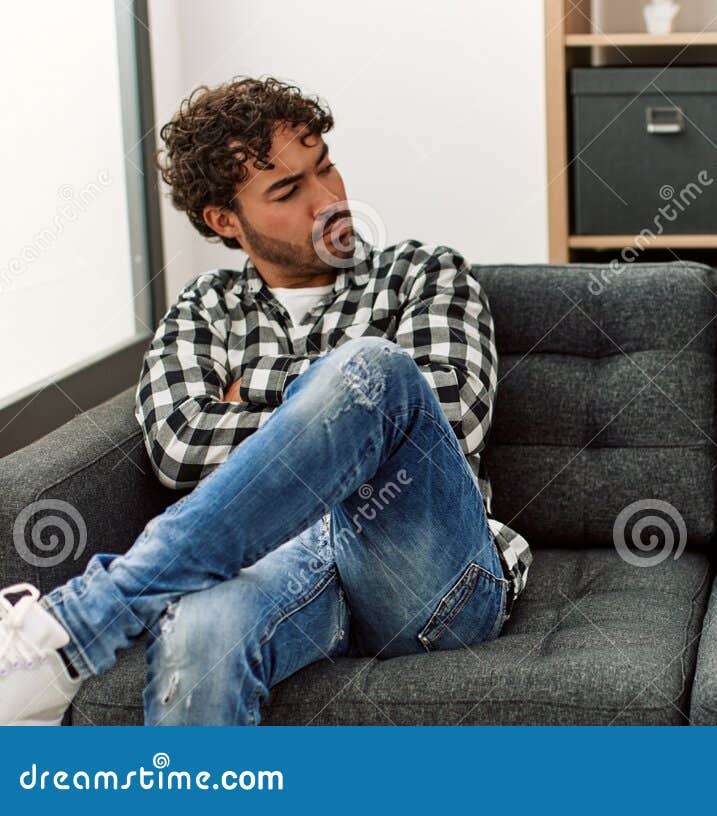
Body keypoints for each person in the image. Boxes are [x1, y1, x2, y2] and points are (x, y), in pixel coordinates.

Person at [1, 77, 531, 725]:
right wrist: (333, 421)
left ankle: (82, 622)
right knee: (198, 629)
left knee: (375, 370)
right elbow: (179, 446)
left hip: (420, 573)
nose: (330, 201)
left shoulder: (422, 273)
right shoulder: (203, 308)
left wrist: (264, 389)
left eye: (326, 167)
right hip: (268, 565)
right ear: (225, 220)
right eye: (288, 190)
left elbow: (447, 417)